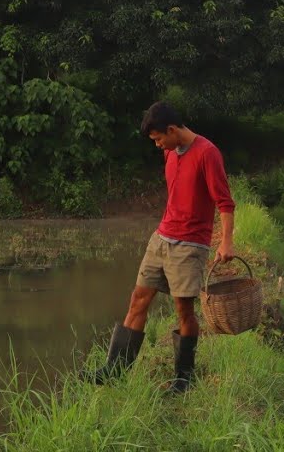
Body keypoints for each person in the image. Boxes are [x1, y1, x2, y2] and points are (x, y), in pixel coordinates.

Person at [84, 101, 236, 393]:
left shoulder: (207, 154)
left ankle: (183, 379)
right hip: (162, 237)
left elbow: (225, 203)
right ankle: (114, 371)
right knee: (138, 299)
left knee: (184, 311)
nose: (158, 146)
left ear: (172, 129)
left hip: (190, 245)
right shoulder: (170, 153)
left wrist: (226, 241)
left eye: (158, 139)